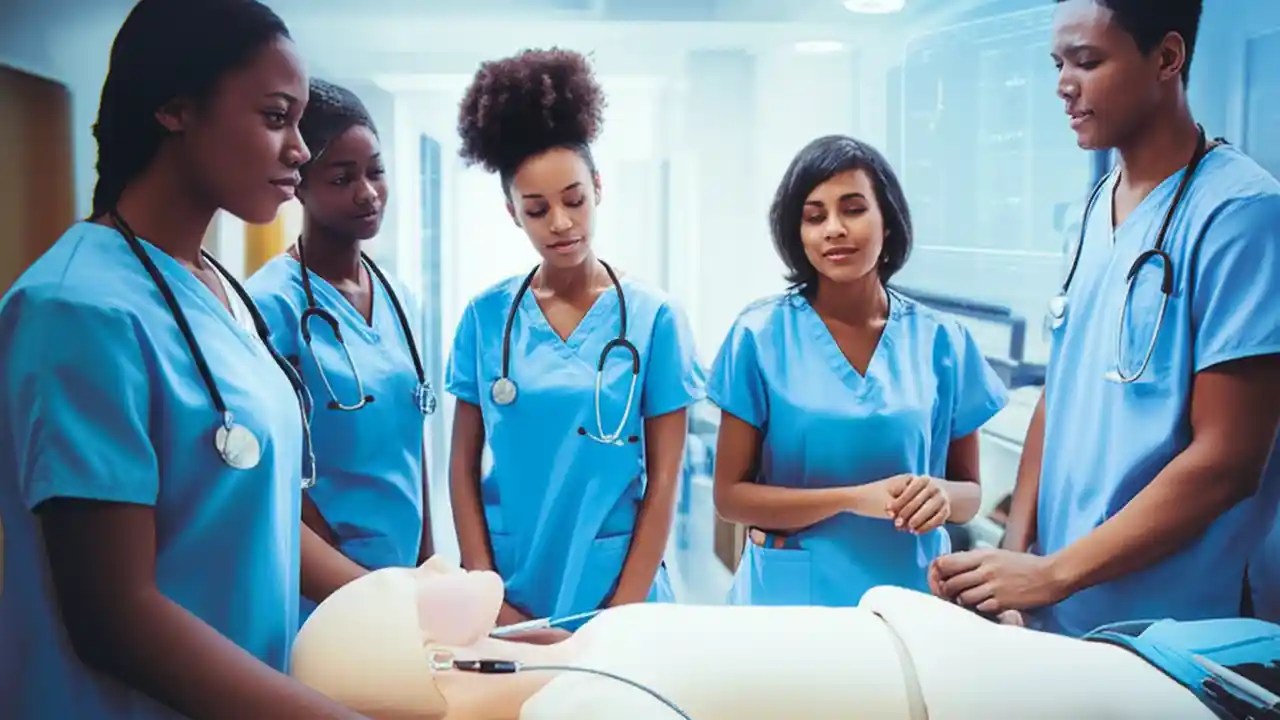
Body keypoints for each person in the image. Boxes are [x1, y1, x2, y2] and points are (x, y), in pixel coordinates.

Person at [0, 1, 364, 718]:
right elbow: (116, 618)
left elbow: (248, 515)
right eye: (275, 117)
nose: (301, 150)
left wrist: (414, 605)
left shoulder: (220, 290)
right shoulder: (78, 309)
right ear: (174, 107)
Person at [932, 0, 1280, 637]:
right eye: (1058, 64)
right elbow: (1057, 397)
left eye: (1087, 62)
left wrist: (1052, 574)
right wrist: (1015, 559)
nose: (1064, 85)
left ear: (1167, 58)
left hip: (1173, 629)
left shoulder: (1242, 215)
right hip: (1060, 613)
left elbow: (1229, 461)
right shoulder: (1094, 211)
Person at [287, 555, 1226, 719]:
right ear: (435, 661)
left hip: (960, 652)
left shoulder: (582, 647)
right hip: (971, 697)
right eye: (414, 587)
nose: (434, 566)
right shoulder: (577, 708)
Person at [446, 48, 705, 630]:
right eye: (537, 209)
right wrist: (484, 589)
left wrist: (623, 610)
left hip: (618, 589)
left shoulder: (655, 319)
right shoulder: (485, 318)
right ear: (512, 212)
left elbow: (666, 479)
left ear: (598, 188)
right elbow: (461, 468)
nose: (560, 223)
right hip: (511, 589)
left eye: (574, 199)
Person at [708, 134, 1008, 606]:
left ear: (888, 220)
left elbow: (969, 494)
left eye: (853, 209)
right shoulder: (760, 336)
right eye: (814, 216)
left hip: (910, 595)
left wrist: (942, 495)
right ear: (797, 233)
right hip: (788, 600)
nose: (834, 229)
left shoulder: (942, 341)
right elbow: (730, 498)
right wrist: (851, 499)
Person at [247, 78, 436, 619]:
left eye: (376, 171)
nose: (368, 192)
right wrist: (349, 583)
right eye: (342, 178)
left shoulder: (397, 296)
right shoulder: (270, 305)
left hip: (405, 585)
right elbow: (277, 470)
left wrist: (429, 562)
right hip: (323, 592)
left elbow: (411, 443)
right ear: (299, 185)